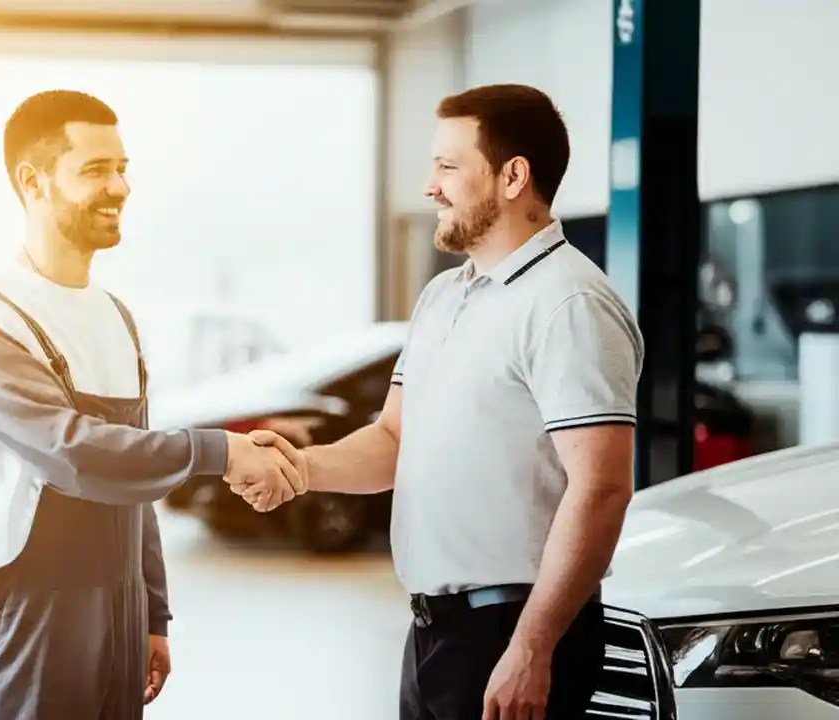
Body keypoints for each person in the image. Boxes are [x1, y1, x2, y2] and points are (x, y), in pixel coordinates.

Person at [241, 84, 644, 720]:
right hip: (436, 633)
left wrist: (532, 648)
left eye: (448, 167)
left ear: (513, 176)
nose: (430, 186)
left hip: (515, 631)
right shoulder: (443, 298)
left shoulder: (569, 304)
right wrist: (302, 466)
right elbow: (393, 441)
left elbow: (601, 489)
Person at [0, 89, 305, 720]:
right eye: (95, 170)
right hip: (23, 617)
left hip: (117, 611)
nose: (121, 186)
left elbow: (135, 477)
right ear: (34, 181)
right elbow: (70, 453)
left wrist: (152, 609)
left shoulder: (115, 317)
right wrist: (222, 450)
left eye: (123, 167)